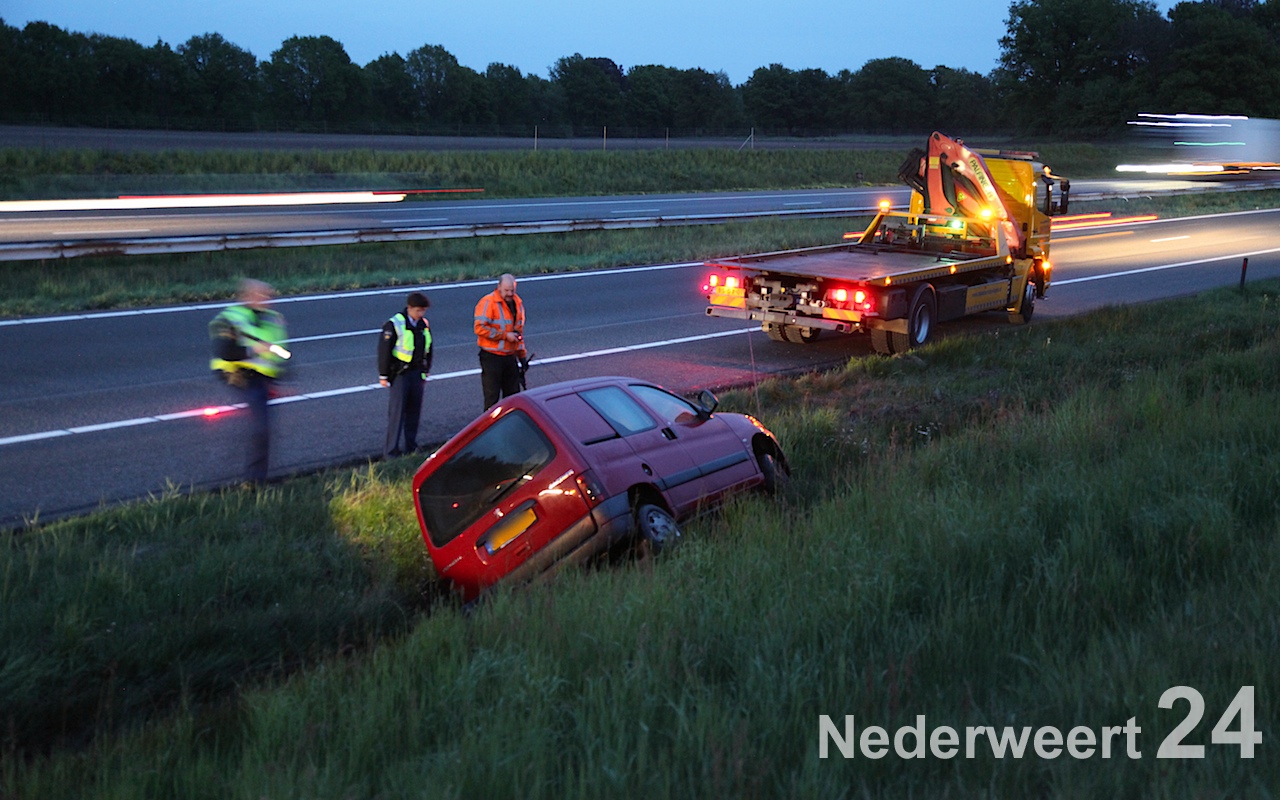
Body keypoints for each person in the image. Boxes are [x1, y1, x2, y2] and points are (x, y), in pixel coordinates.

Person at [209, 279, 289, 486]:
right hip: (239, 375)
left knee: (264, 428)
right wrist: (253, 350)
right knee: (261, 428)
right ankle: (253, 482)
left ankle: (256, 477)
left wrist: (282, 377)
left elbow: (279, 350)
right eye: (261, 295)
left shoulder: (275, 318)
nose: (267, 299)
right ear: (246, 296)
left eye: (269, 294)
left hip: (264, 379)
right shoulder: (229, 317)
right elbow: (224, 351)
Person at [378, 291, 434, 458]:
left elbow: (429, 348)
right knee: (397, 413)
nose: (421, 314)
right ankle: (391, 451)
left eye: (423, 311)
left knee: (414, 412)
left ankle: (411, 446)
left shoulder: (423, 324)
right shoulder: (394, 324)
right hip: (401, 374)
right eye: (418, 311)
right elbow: (384, 351)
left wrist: (426, 370)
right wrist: (384, 375)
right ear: (409, 308)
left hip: (416, 373)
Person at [474, 273, 527, 409]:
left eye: (512, 290)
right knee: (492, 398)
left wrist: (522, 357)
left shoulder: (518, 303)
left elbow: (518, 332)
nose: (510, 294)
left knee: (513, 398)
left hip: (510, 357)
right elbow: (480, 328)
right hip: (492, 357)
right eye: (506, 290)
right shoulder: (488, 302)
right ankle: (490, 427)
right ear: (499, 287)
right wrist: (504, 335)